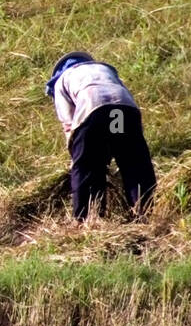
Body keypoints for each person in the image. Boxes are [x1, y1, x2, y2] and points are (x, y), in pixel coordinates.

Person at [46, 51, 157, 221]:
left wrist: (76, 156)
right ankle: (145, 212)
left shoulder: (62, 80)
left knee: (87, 167)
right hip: (122, 109)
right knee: (132, 162)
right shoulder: (104, 69)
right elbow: (114, 127)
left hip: (93, 106)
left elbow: (69, 126)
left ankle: (87, 220)